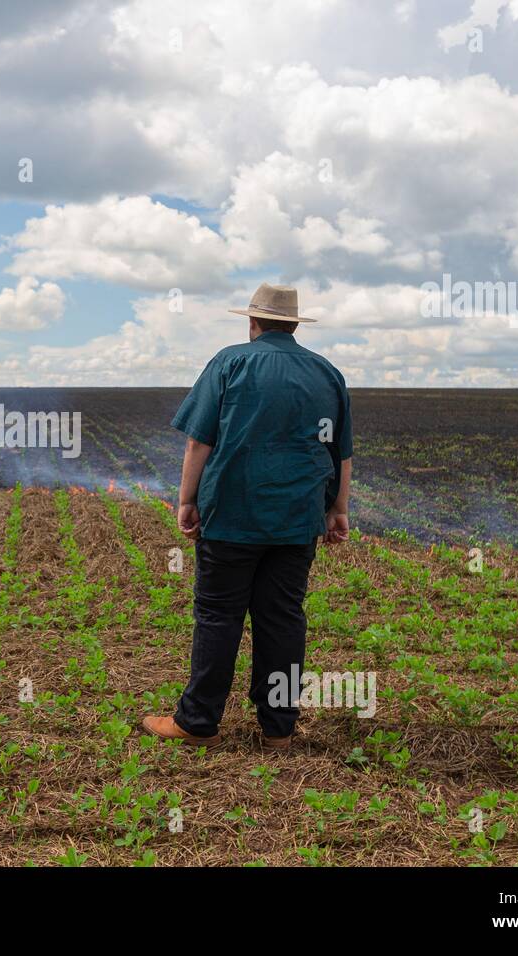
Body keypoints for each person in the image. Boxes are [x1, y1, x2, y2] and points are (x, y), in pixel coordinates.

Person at [141, 282, 352, 750]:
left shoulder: (229, 362)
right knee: (282, 617)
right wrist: (338, 509)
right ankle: (278, 728)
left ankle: (198, 721)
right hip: (298, 519)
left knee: (218, 614)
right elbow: (340, 453)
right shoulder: (327, 373)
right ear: (294, 325)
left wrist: (186, 501)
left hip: (232, 513)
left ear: (252, 323)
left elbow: (199, 441)